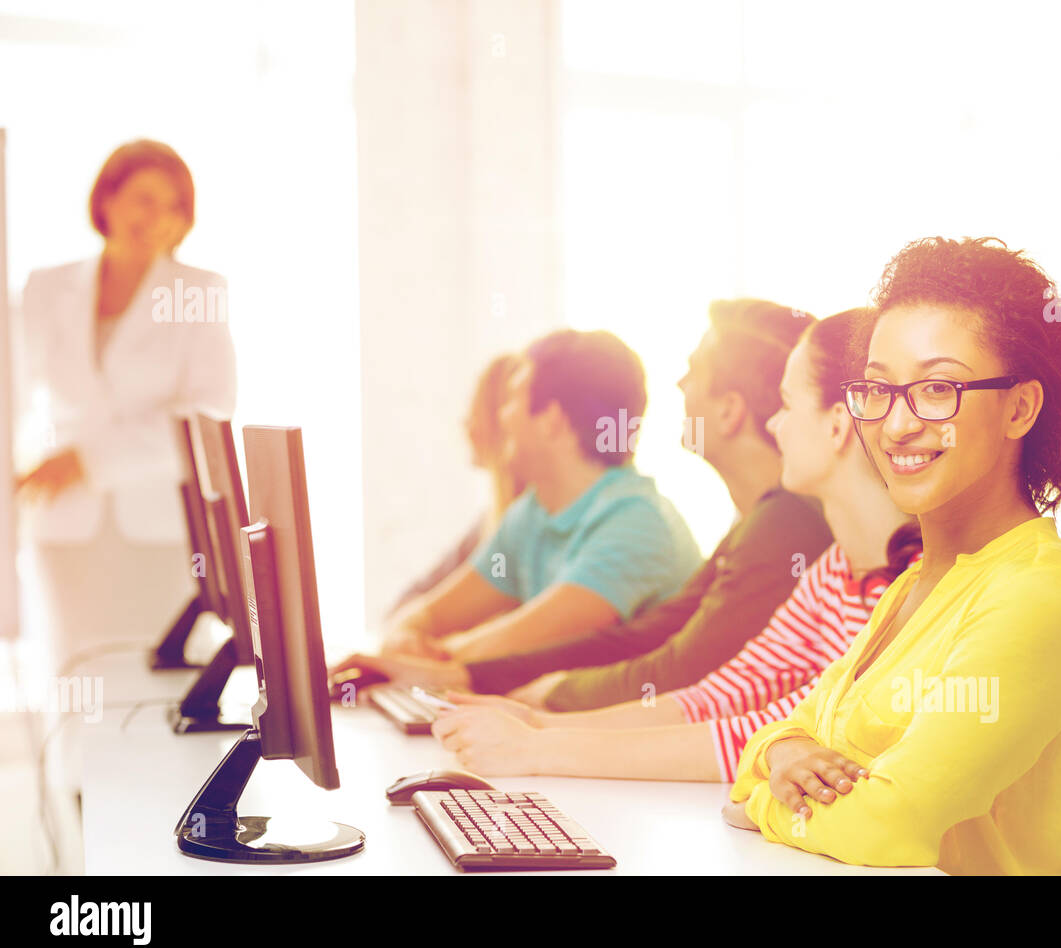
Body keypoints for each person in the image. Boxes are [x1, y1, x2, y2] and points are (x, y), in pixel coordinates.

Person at [725, 236, 1061, 876]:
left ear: (1019, 407)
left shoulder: (1037, 595)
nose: (896, 426)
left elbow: (892, 827)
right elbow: (776, 739)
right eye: (879, 390)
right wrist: (780, 761)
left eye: (938, 389)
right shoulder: (915, 584)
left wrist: (763, 806)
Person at [431, 309, 920, 782]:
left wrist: (536, 744)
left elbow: (787, 732)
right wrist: (536, 725)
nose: (775, 424)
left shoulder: (907, 587)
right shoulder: (833, 571)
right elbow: (722, 695)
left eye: (788, 405)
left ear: (837, 426)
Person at [386, 299, 834, 706]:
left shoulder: (773, 522)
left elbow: (677, 672)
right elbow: (647, 640)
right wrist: (464, 672)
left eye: (693, 370)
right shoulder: (754, 521)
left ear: (729, 411)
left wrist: (539, 701)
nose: (678, 384)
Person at [334, 328, 701, 673]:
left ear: (551, 420)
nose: (501, 416)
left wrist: (413, 657)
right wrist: (404, 635)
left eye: (512, 398)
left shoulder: (637, 523)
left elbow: (510, 644)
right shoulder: (533, 512)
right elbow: (431, 614)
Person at [17, 139, 237, 662]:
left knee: (158, 681)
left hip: (160, 529)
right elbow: (16, 393)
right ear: (108, 200)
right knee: (75, 679)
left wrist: (91, 461)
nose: (157, 217)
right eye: (143, 198)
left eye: (173, 206)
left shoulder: (199, 291)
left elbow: (208, 415)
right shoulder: (46, 289)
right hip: (64, 527)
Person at [386, 353, 523, 616]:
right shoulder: (487, 525)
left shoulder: (525, 528)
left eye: (477, 409)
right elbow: (410, 600)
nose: (466, 424)